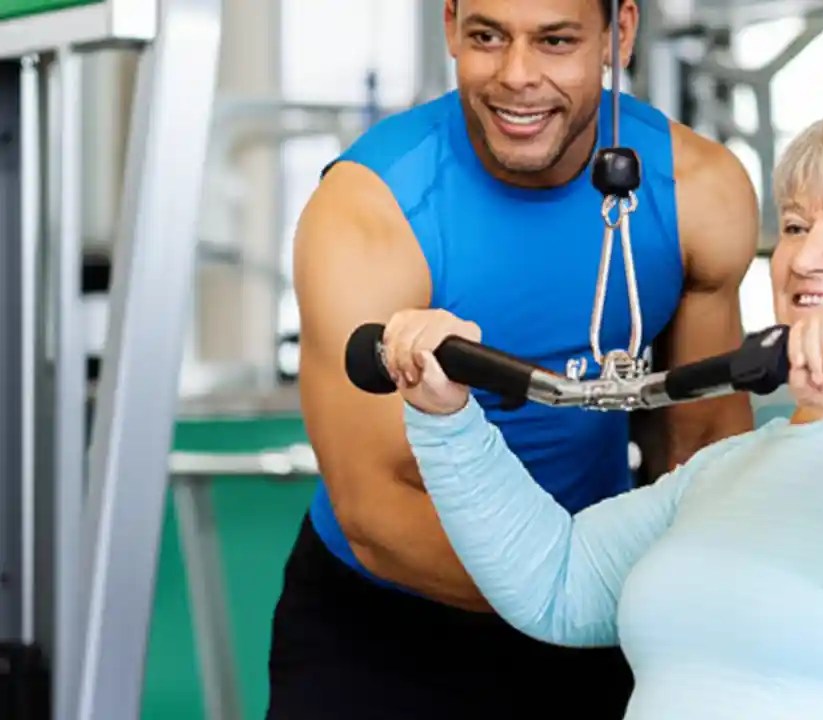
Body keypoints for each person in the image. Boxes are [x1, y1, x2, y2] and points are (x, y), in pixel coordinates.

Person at [382, 106, 823, 719]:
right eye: (792, 227)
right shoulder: (739, 463)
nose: (805, 258)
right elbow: (558, 586)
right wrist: (448, 421)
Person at [267, 0, 759, 717]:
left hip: (600, 614)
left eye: (555, 41)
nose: (517, 77)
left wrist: (679, 605)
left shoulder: (698, 191)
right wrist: (575, 592)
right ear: (450, 28)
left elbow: (701, 445)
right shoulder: (369, 209)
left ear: (618, 34)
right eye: (488, 38)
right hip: (388, 624)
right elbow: (379, 510)